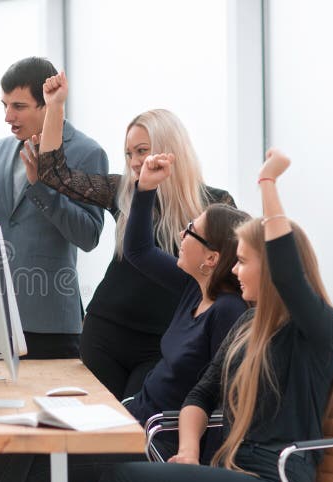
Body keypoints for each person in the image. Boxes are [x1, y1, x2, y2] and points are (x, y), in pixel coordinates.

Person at [0, 151, 250, 482]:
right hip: (129, 421)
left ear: (211, 258)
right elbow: (139, 251)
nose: (180, 235)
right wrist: (144, 189)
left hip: (154, 444)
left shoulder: (227, 312)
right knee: (19, 444)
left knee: (21, 453)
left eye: (190, 231)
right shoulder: (192, 292)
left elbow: (217, 395)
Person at [84, 149, 333, 482]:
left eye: (243, 261)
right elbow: (201, 395)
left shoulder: (320, 329)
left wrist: (267, 184)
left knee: (123, 478)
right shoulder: (246, 325)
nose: (234, 271)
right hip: (229, 473)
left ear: (269, 268)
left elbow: (287, 275)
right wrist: (187, 452)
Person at [27, 72, 235, 399]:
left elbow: (235, 269)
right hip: (104, 330)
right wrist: (55, 107)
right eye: (129, 154)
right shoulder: (123, 191)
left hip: (161, 340)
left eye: (142, 150)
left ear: (170, 148)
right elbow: (55, 174)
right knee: (97, 429)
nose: (135, 162)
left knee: (135, 430)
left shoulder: (215, 205)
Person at [0, 57, 105, 360]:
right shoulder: (2, 149)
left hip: (51, 324)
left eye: (18, 106)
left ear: (46, 104)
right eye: (4, 105)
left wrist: (43, 187)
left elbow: (88, 236)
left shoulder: (87, 153)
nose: (8, 116)